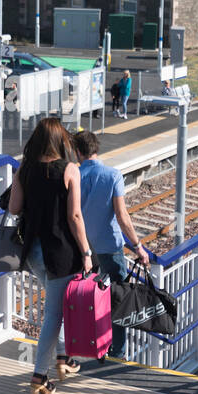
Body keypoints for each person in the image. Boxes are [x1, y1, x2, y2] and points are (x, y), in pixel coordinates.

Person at [6, 117, 94, 394]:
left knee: (57, 305)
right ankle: (39, 377)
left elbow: (14, 207)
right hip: (60, 254)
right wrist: (87, 253)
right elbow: (75, 216)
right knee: (54, 316)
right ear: (60, 142)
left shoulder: (25, 169)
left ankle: (63, 358)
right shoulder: (70, 170)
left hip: (33, 252)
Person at [72, 130, 151, 358]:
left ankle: (90, 346)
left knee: (87, 299)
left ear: (78, 152)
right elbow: (122, 216)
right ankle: (118, 352)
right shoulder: (112, 175)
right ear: (96, 149)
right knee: (117, 301)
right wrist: (138, 247)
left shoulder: (74, 176)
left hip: (83, 250)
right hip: (110, 248)